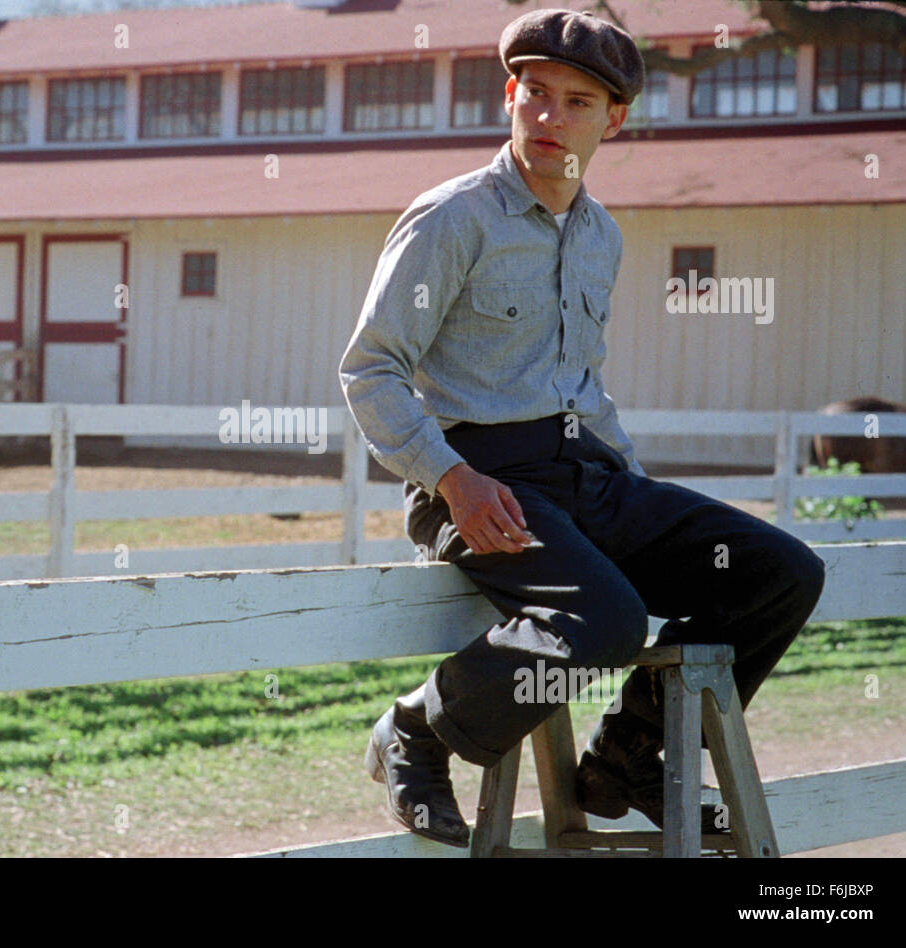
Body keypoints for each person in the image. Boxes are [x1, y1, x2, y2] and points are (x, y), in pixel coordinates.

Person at [340, 8, 826, 848]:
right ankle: (417, 730)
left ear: (614, 119)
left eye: (574, 100)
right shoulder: (453, 218)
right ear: (509, 96)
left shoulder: (600, 235)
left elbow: (584, 390)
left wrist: (630, 484)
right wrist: (452, 479)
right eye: (533, 94)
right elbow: (370, 369)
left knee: (778, 571)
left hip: (585, 479)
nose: (547, 115)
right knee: (606, 619)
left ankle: (628, 759)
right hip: (474, 482)